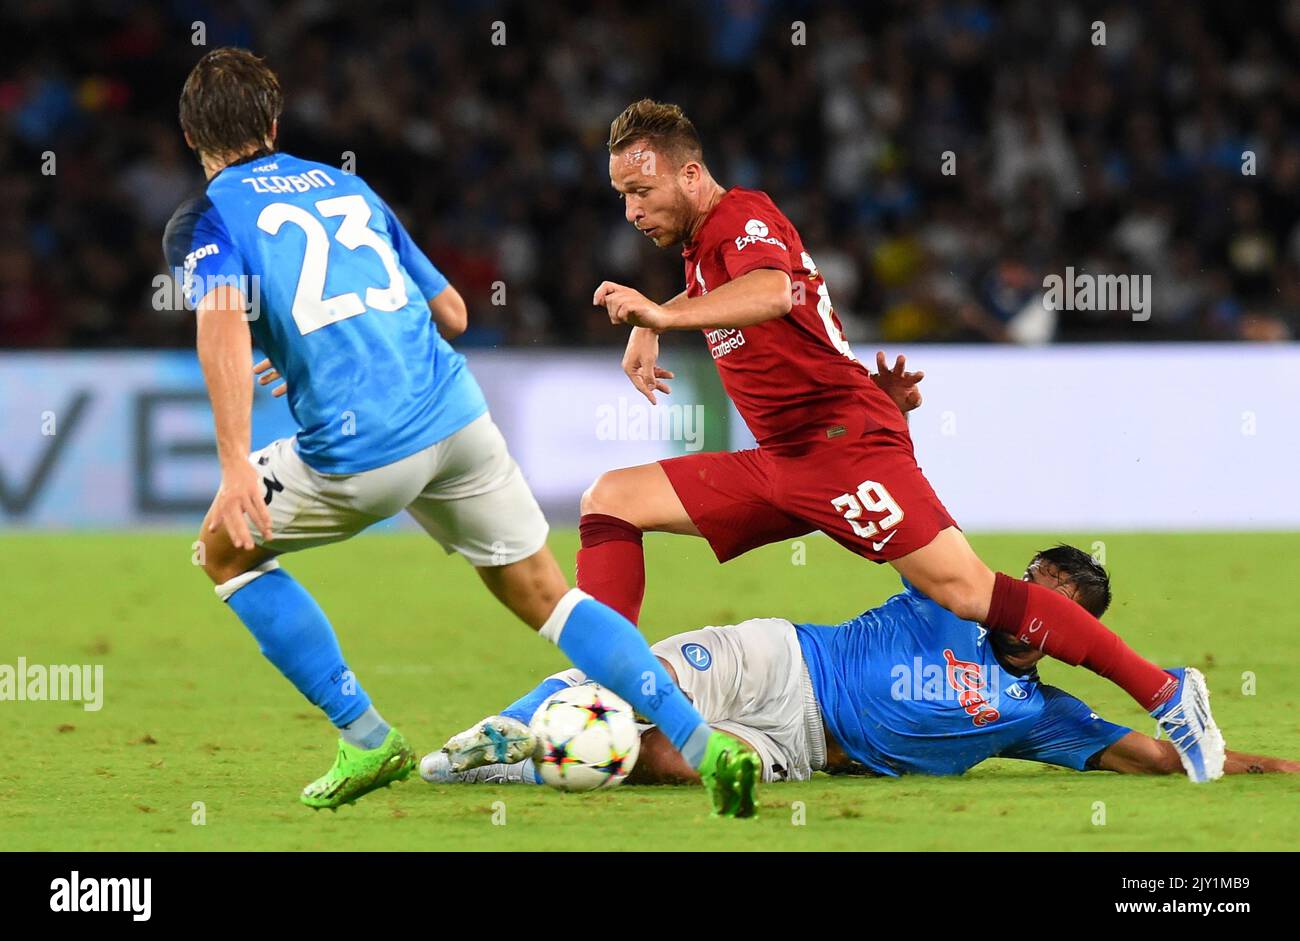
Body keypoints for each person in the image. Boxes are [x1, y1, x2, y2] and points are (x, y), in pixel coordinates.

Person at [161, 50, 759, 815]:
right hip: (458, 418)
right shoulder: (347, 185)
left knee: (224, 549)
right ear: (276, 124)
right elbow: (451, 314)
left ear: (188, 134)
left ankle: (367, 735)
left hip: (362, 447)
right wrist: (325, 340)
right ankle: (707, 745)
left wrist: (235, 461)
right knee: (550, 595)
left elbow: (219, 324)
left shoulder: (205, 218)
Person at [579, 98, 1222, 781]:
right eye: (623, 195)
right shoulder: (703, 248)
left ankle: (1167, 691)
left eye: (640, 191)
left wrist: (656, 314)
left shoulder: (741, 215)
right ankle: (607, 689)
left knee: (970, 592)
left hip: (844, 445)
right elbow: (736, 291)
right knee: (612, 499)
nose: (632, 211)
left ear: (690, 174)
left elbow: (772, 292)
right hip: (788, 460)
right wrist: (654, 321)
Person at [424, 547, 1272, 788]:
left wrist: (1270, 763)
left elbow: (1163, 755)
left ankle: (517, 756)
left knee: (647, 759)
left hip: (802, 749)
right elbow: (903, 515)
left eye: (1061, 611)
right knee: (629, 689)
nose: (1037, 611)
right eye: (1034, 588)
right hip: (777, 660)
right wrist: (893, 415)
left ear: (1076, 632)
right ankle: (472, 741)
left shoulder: (1037, 714)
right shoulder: (951, 596)